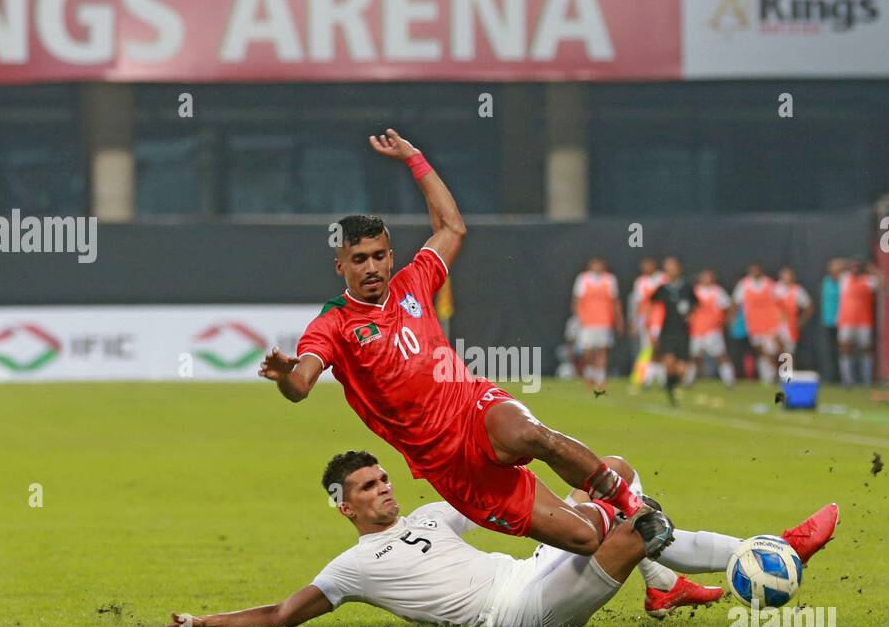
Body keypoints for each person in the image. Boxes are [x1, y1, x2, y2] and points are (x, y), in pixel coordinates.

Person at [258, 128, 672, 560]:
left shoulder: (412, 283)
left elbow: (452, 227)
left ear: (391, 256)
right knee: (584, 540)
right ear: (340, 264)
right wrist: (286, 375)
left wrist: (415, 159)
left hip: (473, 407)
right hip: (448, 464)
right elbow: (301, 385)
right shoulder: (334, 323)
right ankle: (632, 530)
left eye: (379, 256)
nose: (371, 267)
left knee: (533, 435)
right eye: (359, 260)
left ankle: (631, 506)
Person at [167, 451, 840, 627]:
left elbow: (492, 495)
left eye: (382, 479)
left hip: (531, 568)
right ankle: (774, 548)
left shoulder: (431, 513)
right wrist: (205, 621)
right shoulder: (353, 565)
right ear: (343, 507)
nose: (383, 491)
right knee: (637, 528)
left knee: (620, 478)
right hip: (518, 613)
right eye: (367, 488)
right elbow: (285, 614)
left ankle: (664, 590)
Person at [648, 256, 700, 405]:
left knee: (682, 369)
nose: (670, 270)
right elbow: (651, 306)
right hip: (667, 331)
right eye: (667, 268)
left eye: (672, 267)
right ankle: (670, 391)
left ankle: (671, 385)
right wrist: (651, 327)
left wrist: (691, 315)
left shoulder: (687, 288)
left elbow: (696, 304)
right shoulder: (662, 289)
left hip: (683, 332)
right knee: (669, 362)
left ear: (679, 269)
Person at [571, 256, 623, 392]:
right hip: (587, 321)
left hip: (604, 320)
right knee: (587, 351)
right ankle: (589, 374)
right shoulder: (583, 279)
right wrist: (578, 318)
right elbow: (577, 300)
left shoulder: (609, 280)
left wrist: (619, 319)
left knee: (602, 350)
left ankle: (600, 379)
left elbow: (615, 301)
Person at [733, 263, 783, 384]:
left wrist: (781, 319)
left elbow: (779, 301)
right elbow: (736, 302)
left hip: (770, 322)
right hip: (753, 323)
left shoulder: (769, 283)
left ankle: (774, 375)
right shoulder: (743, 284)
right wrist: (733, 318)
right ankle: (773, 373)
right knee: (760, 349)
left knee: (773, 350)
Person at [689, 269, 735, 387]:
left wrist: (725, 321)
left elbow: (729, 306)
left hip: (713, 330)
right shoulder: (694, 291)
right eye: (704, 277)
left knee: (720, 356)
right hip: (696, 330)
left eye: (709, 277)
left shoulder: (717, 291)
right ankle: (687, 381)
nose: (706, 279)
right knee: (695, 357)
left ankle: (729, 380)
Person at [837, 259, 879, 387]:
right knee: (845, 349)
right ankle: (847, 380)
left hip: (864, 321)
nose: (855, 269)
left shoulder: (868, 280)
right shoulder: (844, 279)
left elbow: (882, 284)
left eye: (857, 267)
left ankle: (866, 380)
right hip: (846, 320)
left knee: (865, 349)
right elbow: (835, 268)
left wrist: (874, 270)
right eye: (853, 267)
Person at [630, 256, 667, 390]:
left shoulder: (663, 278)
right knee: (647, 348)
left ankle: (659, 377)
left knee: (658, 347)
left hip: (661, 317)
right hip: (646, 319)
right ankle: (647, 378)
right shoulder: (640, 282)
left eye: (649, 265)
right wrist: (635, 322)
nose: (646, 268)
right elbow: (638, 303)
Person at [775, 266, 813, 369]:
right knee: (775, 348)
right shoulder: (775, 289)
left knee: (788, 352)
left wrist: (801, 321)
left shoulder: (798, 291)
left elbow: (809, 307)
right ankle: (773, 373)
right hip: (775, 324)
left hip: (790, 326)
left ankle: (787, 376)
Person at [819, 259, 844, 383]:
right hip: (829, 321)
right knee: (830, 351)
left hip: (843, 321)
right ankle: (830, 377)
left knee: (843, 350)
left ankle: (843, 378)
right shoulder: (827, 282)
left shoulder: (845, 282)